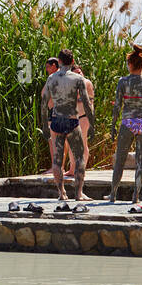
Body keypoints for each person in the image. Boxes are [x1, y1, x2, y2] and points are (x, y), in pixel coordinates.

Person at [41, 49, 95, 203]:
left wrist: (45, 125)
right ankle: (78, 194)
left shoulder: (52, 78)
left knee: (57, 161)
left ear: (59, 62)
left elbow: (44, 103)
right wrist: (91, 124)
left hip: (57, 120)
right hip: (72, 120)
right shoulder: (78, 79)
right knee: (79, 159)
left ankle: (61, 193)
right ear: (72, 62)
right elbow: (86, 102)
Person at [109, 44, 142, 207]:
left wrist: (113, 125)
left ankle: (112, 195)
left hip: (128, 121)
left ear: (131, 64)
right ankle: (135, 196)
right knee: (140, 162)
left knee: (120, 161)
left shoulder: (123, 81)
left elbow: (117, 106)